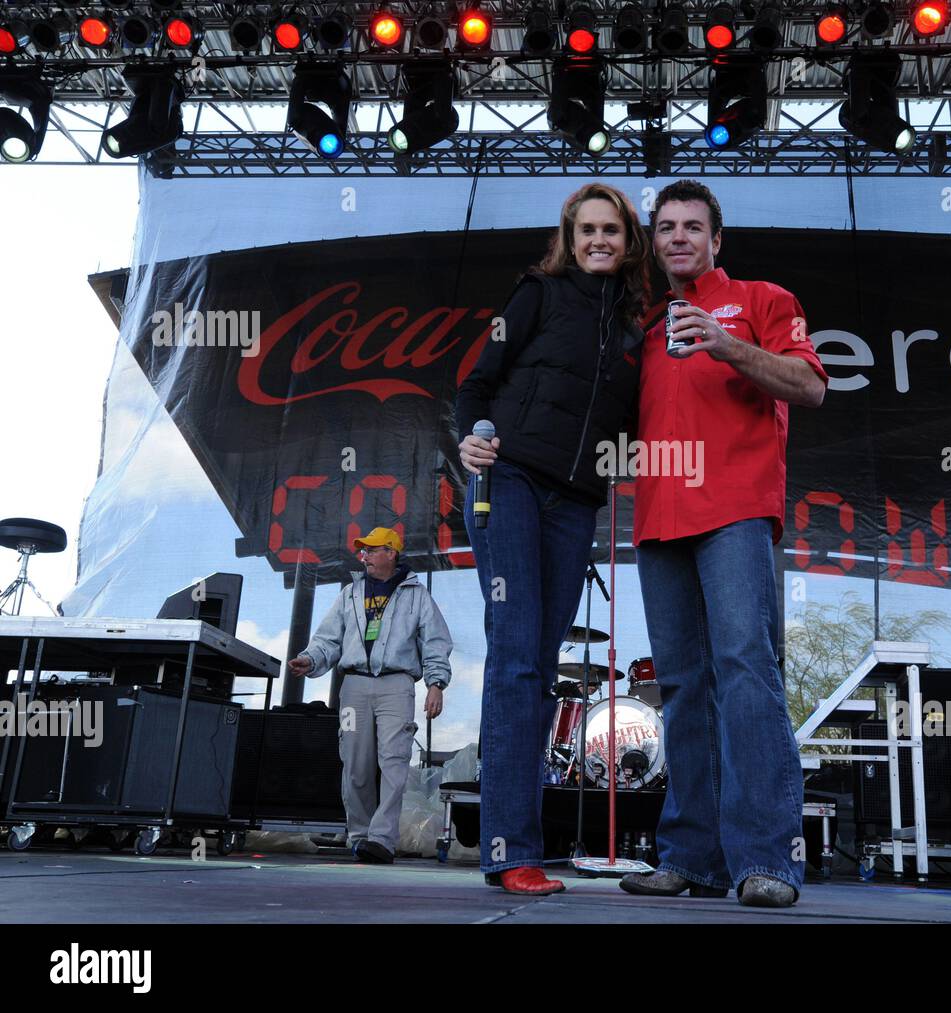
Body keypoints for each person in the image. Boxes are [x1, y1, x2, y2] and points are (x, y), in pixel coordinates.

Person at [619, 180, 828, 908]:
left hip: (736, 510)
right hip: (657, 521)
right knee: (681, 689)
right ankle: (692, 858)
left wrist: (727, 342)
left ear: (717, 239)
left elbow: (809, 385)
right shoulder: (643, 326)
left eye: (692, 226)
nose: (678, 236)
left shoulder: (764, 299)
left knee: (746, 671)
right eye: (666, 226)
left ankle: (768, 858)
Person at [456, 183, 650, 895]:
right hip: (506, 480)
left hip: (575, 502)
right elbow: (475, 385)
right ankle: (510, 849)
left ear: (629, 242)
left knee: (540, 663)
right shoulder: (537, 293)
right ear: (568, 237)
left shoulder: (638, 326)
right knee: (514, 657)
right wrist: (470, 442)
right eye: (586, 229)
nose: (599, 240)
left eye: (612, 230)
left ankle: (519, 841)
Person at [288, 527, 453, 864]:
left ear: (391, 552)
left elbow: (435, 642)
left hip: (397, 685)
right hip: (354, 688)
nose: (363, 556)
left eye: (371, 550)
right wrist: (311, 658)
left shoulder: (417, 595)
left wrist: (435, 684)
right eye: (362, 551)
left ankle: (381, 840)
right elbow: (329, 639)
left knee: (393, 762)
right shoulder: (350, 593)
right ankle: (360, 837)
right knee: (355, 764)